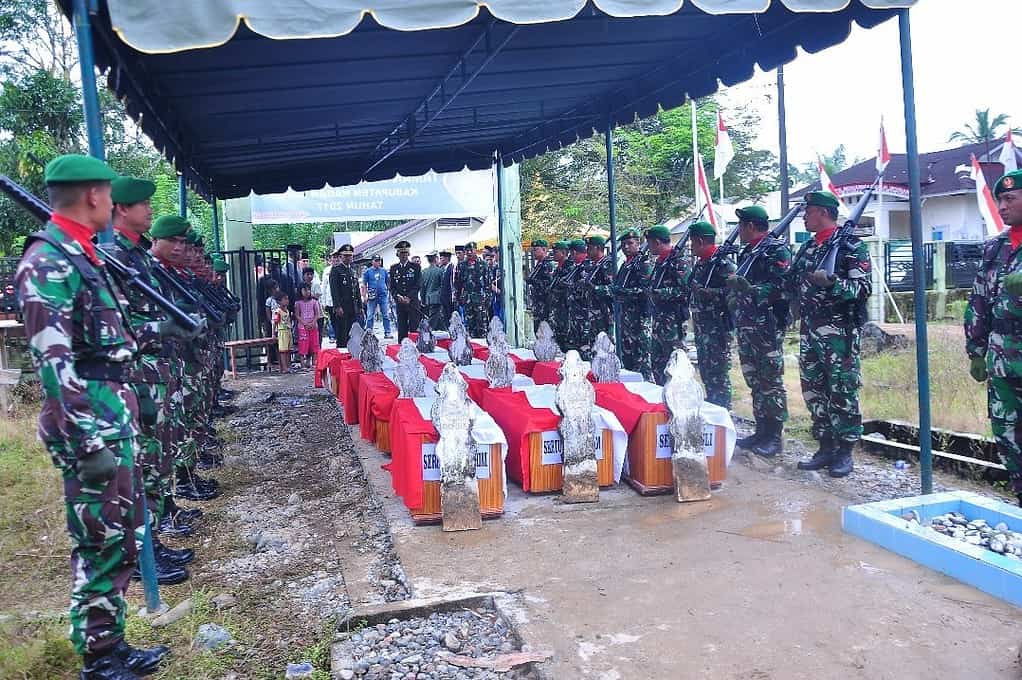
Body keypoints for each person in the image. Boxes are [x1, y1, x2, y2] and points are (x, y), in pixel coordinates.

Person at [16, 154, 170, 679]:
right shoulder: (48, 261)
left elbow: (107, 340)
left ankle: (112, 642)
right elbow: (54, 363)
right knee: (98, 539)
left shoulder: (82, 255)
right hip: (89, 426)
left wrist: (151, 353)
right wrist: (86, 442)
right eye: (108, 192)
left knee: (121, 535)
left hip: (111, 416)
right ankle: (98, 658)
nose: (111, 200)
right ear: (94, 196)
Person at [109, 177, 194, 584]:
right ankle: (144, 552)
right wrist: (162, 329)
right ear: (122, 208)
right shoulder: (115, 256)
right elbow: (120, 325)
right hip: (139, 375)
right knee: (143, 466)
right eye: (142, 204)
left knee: (157, 462)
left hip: (157, 373)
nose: (149, 210)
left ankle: (153, 541)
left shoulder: (136, 256)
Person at [788, 191, 872, 477]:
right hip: (809, 330)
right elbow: (793, 281)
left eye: (808, 211)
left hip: (839, 333)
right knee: (813, 389)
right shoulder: (809, 247)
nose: (804, 217)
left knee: (841, 390)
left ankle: (845, 451)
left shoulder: (852, 247)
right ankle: (825, 447)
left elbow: (862, 289)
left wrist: (833, 283)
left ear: (823, 213)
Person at [966, 168, 1022, 505]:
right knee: (1006, 433)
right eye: (1000, 199)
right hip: (1002, 360)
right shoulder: (994, 247)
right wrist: (975, 350)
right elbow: (979, 301)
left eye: (1009, 199)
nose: (1001, 206)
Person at [726, 206, 791, 457]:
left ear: (751, 226)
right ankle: (761, 430)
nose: (739, 231)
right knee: (754, 380)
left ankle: (774, 435)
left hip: (768, 326)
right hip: (747, 324)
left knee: (770, 381)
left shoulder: (776, 250)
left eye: (741, 226)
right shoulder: (749, 251)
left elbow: (783, 286)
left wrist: (751, 290)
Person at [688, 220, 735, 410]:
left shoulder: (723, 264)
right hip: (702, 327)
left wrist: (708, 293)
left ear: (700, 241)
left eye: (692, 242)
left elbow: (733, 292)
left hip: (718, 326)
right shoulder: (702, 264)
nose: (691, 246)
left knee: (719, 371)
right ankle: (713, 404)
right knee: (707, 370)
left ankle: (723, 409)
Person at [645, 225, 690, 385]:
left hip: (673, 322)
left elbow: (686, 290)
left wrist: (661, 292)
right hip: (659, 320)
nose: (648, 247)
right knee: (657, 364)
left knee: (674, 365)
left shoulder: (678, 261)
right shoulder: (660, 262)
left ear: (657, 242)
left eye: (649, 243)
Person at [608, 229, 652, 378]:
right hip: (625, 317)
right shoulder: (626, 265)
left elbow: (645, 290)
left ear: (638, 244)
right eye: (623, 244)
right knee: (627, 357)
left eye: (630, 243)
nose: (626, 247)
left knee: (641, 358)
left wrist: (623, 291)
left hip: (639, 317)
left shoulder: (643, 263)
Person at [581, 235, 612, 358]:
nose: (587, 250)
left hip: (604, 312)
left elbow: (612, 288)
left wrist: (595, 288)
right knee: (594, 345)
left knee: (604, 344)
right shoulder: (594, 265)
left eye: (590, 248)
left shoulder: (607, 264)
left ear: (599, 248)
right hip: (592, 311)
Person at [456, 241, 491, 338]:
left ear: (475, 250)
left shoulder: (483, 264)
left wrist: (488, 298)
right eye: (467, 251)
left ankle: (482, 344)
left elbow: (488, 283)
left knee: (482, 325)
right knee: (469, 326)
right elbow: (458, 284)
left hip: (480, 300)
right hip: (467, 299)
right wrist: (458, 298)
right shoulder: (461, 265)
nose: (469, 252)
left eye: (471, 250)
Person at [329, 244, 362, 346]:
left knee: (353, 333)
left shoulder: (352, 270)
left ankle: (351, 353)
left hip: (353, 307)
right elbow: (334, 290)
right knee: (342, 334)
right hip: (342, 307)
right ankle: (342, 353)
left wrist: (360, 306)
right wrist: (337, 306)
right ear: (340, 257)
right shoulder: (336, 270)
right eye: (345, 256)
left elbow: (356, 289)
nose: (348, 258)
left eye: (350, 255)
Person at [390, 240, 422, 341]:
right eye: (401, 253)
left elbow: (418, 284)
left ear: (408, 254)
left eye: (405, 253)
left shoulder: (415, 267)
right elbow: (392, 287)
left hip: (412, 302)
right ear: (397, 254)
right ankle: (401, 346)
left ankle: (415, 346)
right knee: (402, 328)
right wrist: (397, 296)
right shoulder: (393, 268)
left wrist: (409, 297)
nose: (403, 255)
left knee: (414, 328)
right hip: (400, 303)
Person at [548, 240, 575, 350]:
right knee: (558, 335)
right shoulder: (558, 268)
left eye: (556, 252)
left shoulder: (569, 268)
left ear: (564, 253)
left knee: (566, 337)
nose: (553, 254)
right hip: (557, 308)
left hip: (565, 307)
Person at [565, 239, 590, 353]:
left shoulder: (587, 266)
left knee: (585, 345)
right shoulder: (576, 267)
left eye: (571, 252)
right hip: (575, 312)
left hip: (584, 313)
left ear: (574, 252)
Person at [526, 239, 555, 333]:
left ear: (544, 250)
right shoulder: (539, 264)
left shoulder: (548, 264)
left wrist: (534, 282)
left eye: (536, 250)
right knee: (537, 330)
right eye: (533, 250)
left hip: (544, 304)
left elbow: (549, 285)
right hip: (537, 303)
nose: (533, 252)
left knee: (544, 331)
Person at [363, 255, 393, 337]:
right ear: (372, 261)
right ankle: (369, 332)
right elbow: (364, 284)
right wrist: (365, 296)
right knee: (370, 315)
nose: (378, 262)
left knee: (385, 314)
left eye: (379, 261)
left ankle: (387, 332)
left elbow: (388, 282)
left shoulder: (384, 271)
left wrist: (390, 293)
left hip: (383, 295)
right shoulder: (368, 272)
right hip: (372, 296)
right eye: (376, 261)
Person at [295, 284, 321, 368]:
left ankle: (314, 362)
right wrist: (304, 323)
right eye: (304, 290)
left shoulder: (314, 302)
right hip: (302, 327)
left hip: (313, 326)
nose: (307, 292)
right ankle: (302, 363)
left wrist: (313, 322)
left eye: (308, 290)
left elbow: (317, 314)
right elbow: (297, 315)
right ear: (300, 291)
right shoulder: (298, 303)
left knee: (314, 344)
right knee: (303, 344)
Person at [420, 251, 444, 330]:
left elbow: (422, 288)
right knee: (433, 320)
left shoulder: (424, 272)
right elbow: (442, 286)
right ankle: (428, 331)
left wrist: (423, 300)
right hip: (437, 298)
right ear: (435, 259)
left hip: (427, 299)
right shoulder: (440, 271)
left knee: (437, 319)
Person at [273, 292, 293, 372]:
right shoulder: (278, 311)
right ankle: (284, 367)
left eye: (287, 299)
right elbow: (275, 322)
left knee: (288, 350)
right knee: (283, 351)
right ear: (279, 301)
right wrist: (273, 333)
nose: (287, 301)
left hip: (288, 331)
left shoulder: (287, 311)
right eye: (285, 299)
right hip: (282, 332)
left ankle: (288, 366)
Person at [320, 249, 338, 342]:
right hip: (330, 299)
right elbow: (324, 286)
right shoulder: (327, 270)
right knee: (332, 318)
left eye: (337, 257)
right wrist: (323, 302)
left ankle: (339, 335)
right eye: (333, 257)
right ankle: (332, 335)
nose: (335, 259)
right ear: (330, 259)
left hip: (340, 300)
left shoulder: (343, 269)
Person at [439, 249, 456, 328]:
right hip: (444, 297)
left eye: (441, 258)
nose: (440, 260)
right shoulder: (444, 268)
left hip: (449, 297)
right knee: (445, 316)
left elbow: (452, 283)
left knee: (449, 315)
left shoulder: (451, 268)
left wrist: (453, 296)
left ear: (446, 258)